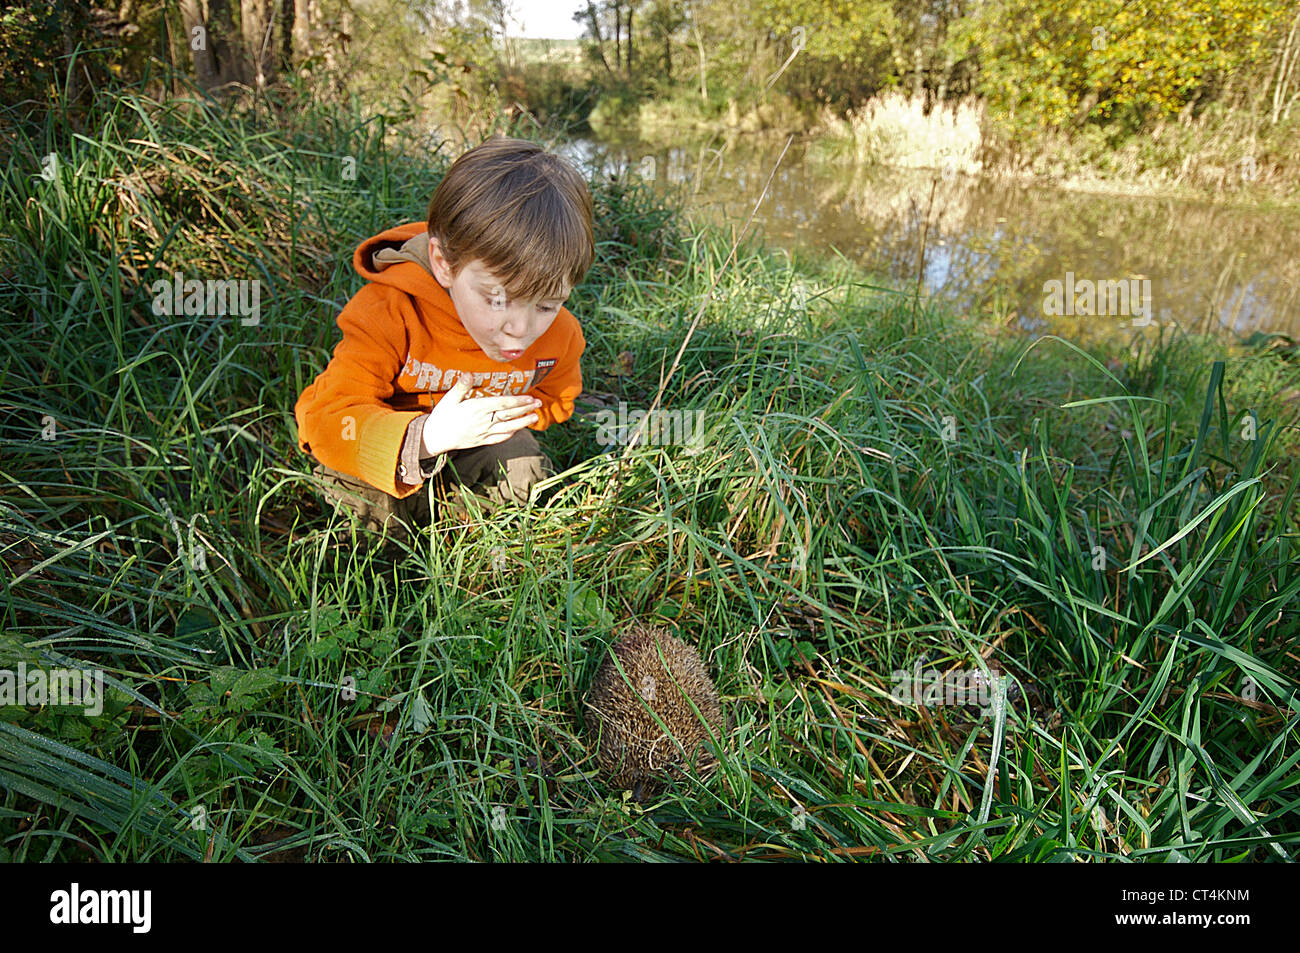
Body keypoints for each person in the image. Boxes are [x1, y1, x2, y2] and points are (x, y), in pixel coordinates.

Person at [294, 136, 594, 547]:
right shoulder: (388, 312)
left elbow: (554, 396)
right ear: (444, 263)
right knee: (373, 526)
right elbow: (328, 420)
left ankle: (458, 533)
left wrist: (497, 419)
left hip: (468, 446)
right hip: (376, 443)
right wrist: (429, 438)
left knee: (527, 474)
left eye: (546, 305)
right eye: (497, 299)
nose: (520, 329)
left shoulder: (561, 335)